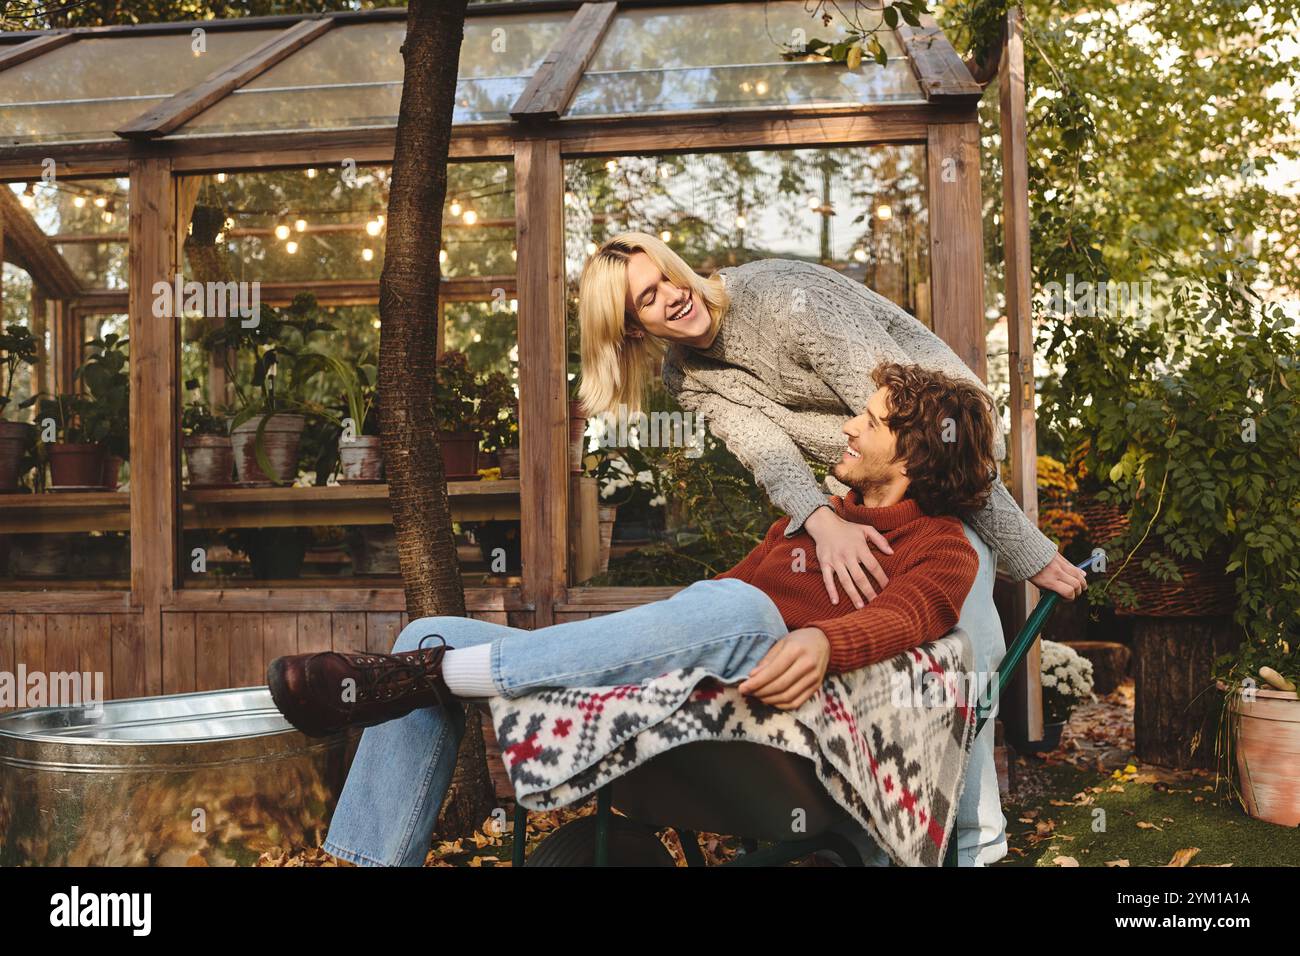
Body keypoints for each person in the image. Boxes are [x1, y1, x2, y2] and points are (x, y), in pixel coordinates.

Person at [268, 363, 1024, 867]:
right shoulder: (811, 521)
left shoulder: (943, 545)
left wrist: (825, 639)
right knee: (423, 636)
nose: (849, 429)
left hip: (779, 731)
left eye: (869, 419)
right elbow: (706, 610)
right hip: (695, 684)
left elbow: (911, 617)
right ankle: (377, 837)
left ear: (915, 451)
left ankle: (437, 677)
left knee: (744, 608)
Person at [576, 233, 1087, 609]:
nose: (673, 294)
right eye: (648, 298)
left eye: (667, 274)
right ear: (633, 330)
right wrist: (824, 523)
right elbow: (766, 450)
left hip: (950, 453)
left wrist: (1030, 553)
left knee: (960, 614)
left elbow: (913, 425)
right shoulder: (685, 376)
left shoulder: (787, 304)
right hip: (870, 475)